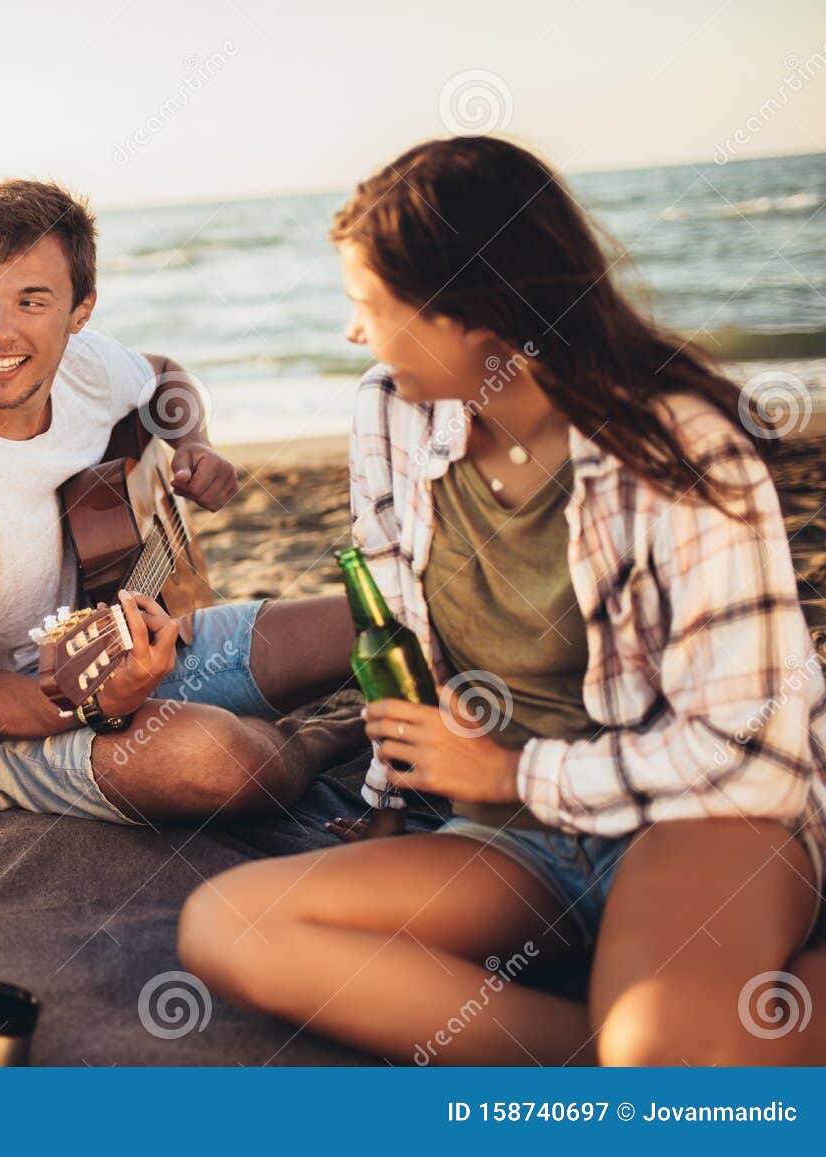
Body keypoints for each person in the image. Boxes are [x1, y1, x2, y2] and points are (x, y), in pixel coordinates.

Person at [178, 136, 826, 1065]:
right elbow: (395, 630)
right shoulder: (389, 412)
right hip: (519, 844)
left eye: (371, 307)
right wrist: (393, 796)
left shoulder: (685, 453)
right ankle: (609, 1068)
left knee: (657, 1052)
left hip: (696, 821)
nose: (354, 333)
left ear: (470, 319)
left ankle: (657, 1055)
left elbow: (751, 754)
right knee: (229, 924)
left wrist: (515, 774)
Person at [0, 178, 365, 828]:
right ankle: (331, 738)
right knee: (228, 762)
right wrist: (99, 701)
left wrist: (195, 443)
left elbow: (167, 374)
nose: (0, 332)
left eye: (33, 301)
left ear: (80, 311)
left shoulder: (84, 364)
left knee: (379, 620)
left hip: (133, 633)